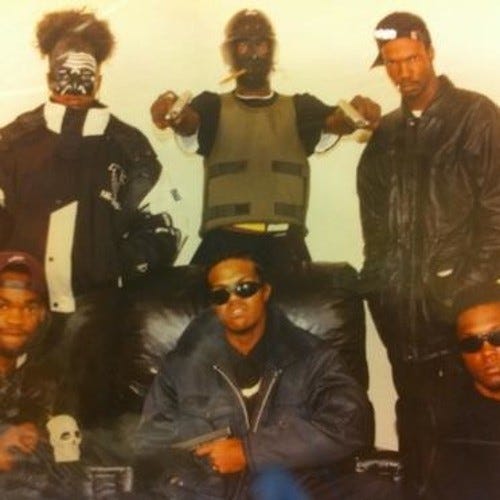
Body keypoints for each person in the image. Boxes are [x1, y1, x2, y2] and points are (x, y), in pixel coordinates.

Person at [356, 10, 500, 497]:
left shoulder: (476, 116)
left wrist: (461, 297)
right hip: (402, 323)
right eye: (392, 63)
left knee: (466, 441)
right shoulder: (385, 133)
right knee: (415, 433)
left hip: (461, 324)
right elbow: (374, 231)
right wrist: (381, 293)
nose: (404, 72)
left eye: (412, 59)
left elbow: (496, 212)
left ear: (431, 53)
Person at [134, 252, 398, 499]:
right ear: (214, 305)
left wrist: (248, 452)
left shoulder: (313, 357)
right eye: (221, 294)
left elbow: (351, 424)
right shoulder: (180, 367)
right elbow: (150, 446)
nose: (234, 301)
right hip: (209, 491)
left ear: (265, 292)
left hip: (292, 486)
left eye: (245, 288)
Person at [150, 9, 380, 270]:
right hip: (225, 246)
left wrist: (354, 114)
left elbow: (334, 121)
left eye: (260, 44)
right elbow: (189, 122)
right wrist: (174, 114)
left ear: (271, 51)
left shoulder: (300, 108)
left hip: (286, 247)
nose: (253, 53)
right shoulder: (211, 106)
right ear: (230, 53)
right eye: (243, 45)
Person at [0, 9, 181, 316]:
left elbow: (170, 223)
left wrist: (117, 268)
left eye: (84, 76)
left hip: (99, 312)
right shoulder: (12, 142)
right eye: (64, 74)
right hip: (22, 315)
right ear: (48, 77)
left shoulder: (130, 147)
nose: (74, 87)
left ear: (98, 81)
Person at [426, 285, 500, 500]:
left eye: (497, 337)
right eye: (471, 344)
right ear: (460, 355)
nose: (487, 353)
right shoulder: (446, 421)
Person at [0, 250, 58, 495]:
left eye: (29, 307)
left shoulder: (40, 375)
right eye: (2, 305)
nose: (16, 319)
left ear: (42, 315)